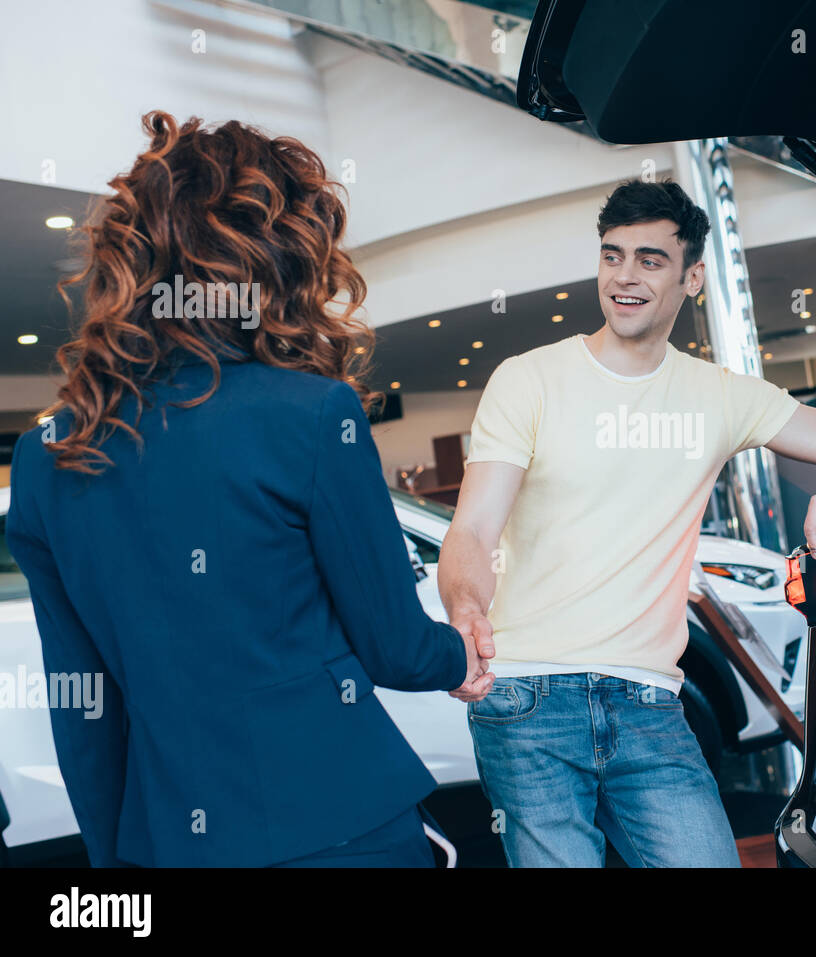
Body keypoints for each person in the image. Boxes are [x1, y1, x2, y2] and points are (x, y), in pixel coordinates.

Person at [4, 111, 494, 868]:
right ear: (275, 262)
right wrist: (460, 655)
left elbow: (84, 707)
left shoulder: (46, 456)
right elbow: (395, 648)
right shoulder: (311, 414)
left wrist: (117, 860)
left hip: (166, 845)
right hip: (341, 826)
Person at [438, 178, 816, 867]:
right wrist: (466, 604)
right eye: (612, 255)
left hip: (650, 704)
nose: (624, 277)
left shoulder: (718, 396)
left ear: (692, 278)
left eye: (649, 260)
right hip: (527, 695)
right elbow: (472, 529)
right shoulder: (528, 379)